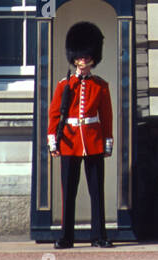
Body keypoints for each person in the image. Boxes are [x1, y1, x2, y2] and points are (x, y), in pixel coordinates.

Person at [48, 21, 114, 248]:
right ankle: (67, 237)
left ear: (93, 58)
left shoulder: (100, 86)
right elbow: (55, 114)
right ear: (74, 58)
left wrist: (107, 142)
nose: (84, 60)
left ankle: (99, 236)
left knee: (96, 192)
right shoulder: (64, 85)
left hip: (93, 141)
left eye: (87, 56)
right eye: (80, 56)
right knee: (69, 192)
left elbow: (106, 116)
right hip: (69, 141)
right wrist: (53, 142)